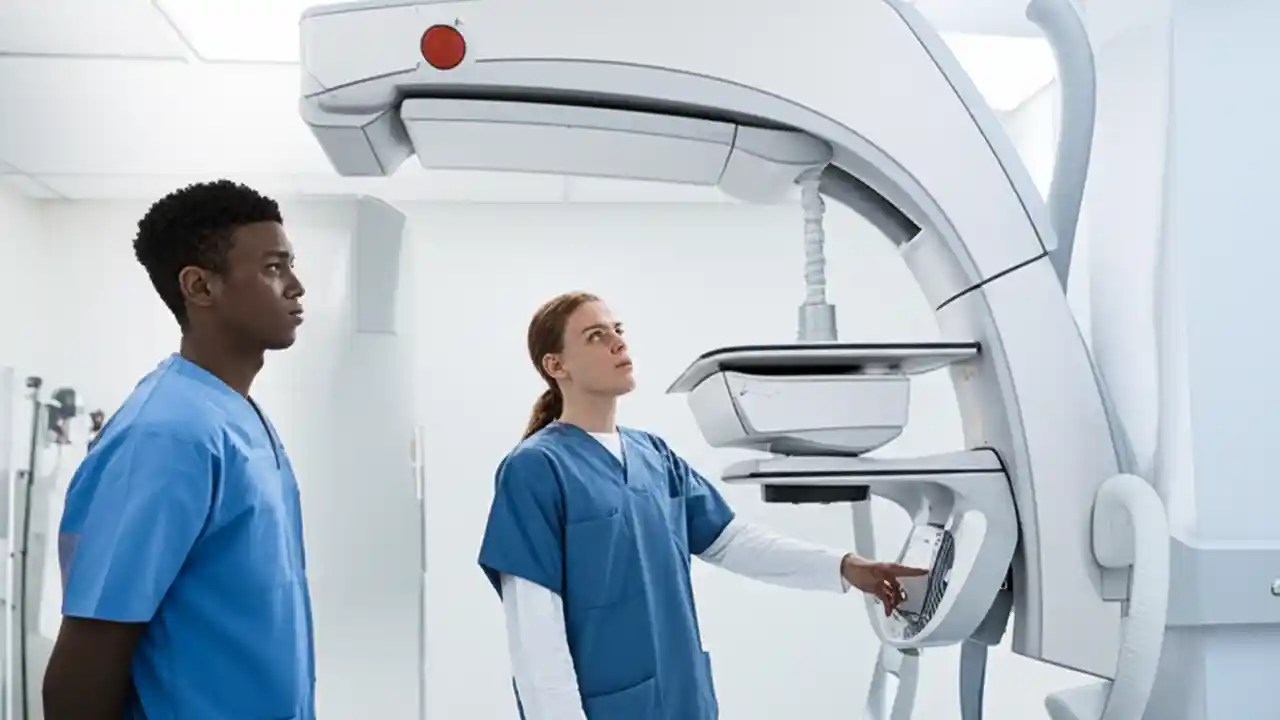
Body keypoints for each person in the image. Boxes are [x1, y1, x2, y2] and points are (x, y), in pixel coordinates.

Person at [477, 291, 928, 720]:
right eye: (596, 336)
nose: (618, 341)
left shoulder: (653, 455)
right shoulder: (535, 468)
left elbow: (732, 542)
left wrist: (845, 567)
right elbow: (535, 634)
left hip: (683, 698)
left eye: (618, 329)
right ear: (556, 365)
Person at [42, 180, 315, 720]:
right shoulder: (166, 435)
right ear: (200, 286)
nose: (297, 286)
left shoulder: (235, 416)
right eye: (273, 268)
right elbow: (86, 658)